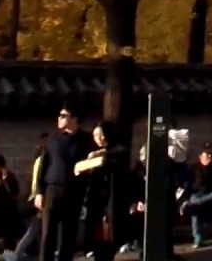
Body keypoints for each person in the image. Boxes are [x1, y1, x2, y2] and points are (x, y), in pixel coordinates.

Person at [35, 104, 95, 261]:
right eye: (60, 115)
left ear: (74, 119)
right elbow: (43, 166)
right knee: (48, 233)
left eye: (64, 115)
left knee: (69, 233)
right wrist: (39, 192)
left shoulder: (86, 140)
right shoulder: (52, 139)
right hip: (52, 189)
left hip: (74, 190)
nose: (60, 118)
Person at [79, 122, 130, 261]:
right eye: (95, 135)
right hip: (96, 202)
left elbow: (120, 154)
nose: (99, 138)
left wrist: (102, 154)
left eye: (101, 134)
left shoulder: (117, 151)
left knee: (109, 240)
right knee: (96, 239)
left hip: (111, 201)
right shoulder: (91, 153)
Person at [182, 144, 212, 248]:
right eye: (206, 155)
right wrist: (187, 196)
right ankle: (198, 238)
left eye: (210, 155)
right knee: (195, 208)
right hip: (197, 195)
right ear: (200, 157)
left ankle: (192, 203)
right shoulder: (194, 168)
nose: (209, 157)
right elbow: (188, 185)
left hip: (211, 196)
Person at [12, 135, 50, 261]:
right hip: (37, 199)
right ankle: (19, 253)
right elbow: (38, 182)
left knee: (36, 227)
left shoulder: (39, 159)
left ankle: (21, 252)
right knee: (37, 227)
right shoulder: (43, 160)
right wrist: (37, 197)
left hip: (33, 198)